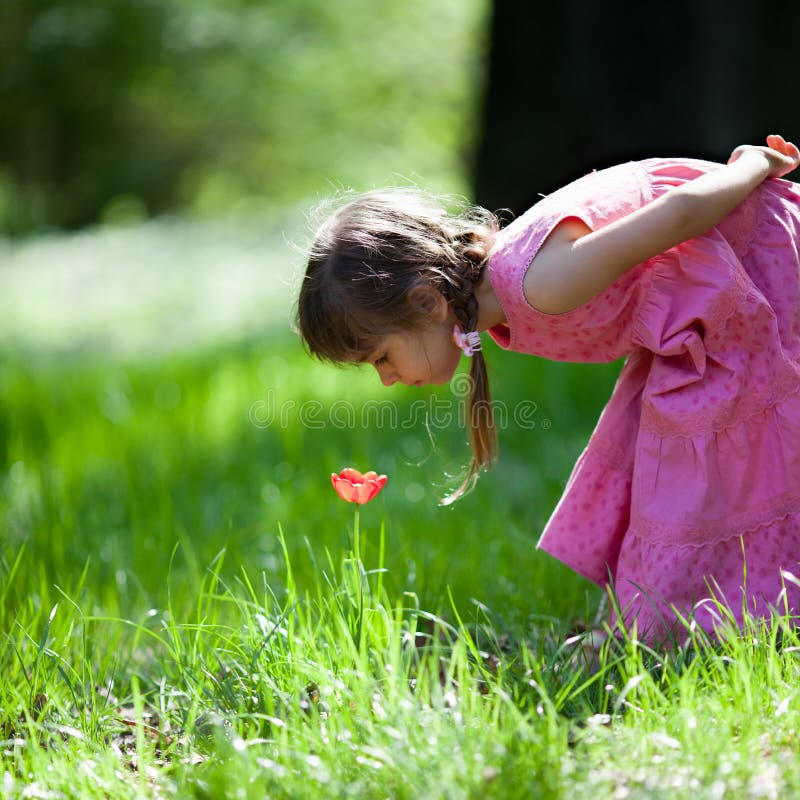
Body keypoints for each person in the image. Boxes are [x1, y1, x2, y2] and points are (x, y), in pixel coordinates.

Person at [297, 134, 800, 642]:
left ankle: (684, 625)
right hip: (704, 310)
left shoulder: (543, 283)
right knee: (657, 450)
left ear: (428, 302)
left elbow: (680, 215)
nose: (386, 378)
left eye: (382, 357)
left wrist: (751, 163)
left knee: (698, 456)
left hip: (754, 276)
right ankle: (658, 621)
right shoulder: (508, 289)